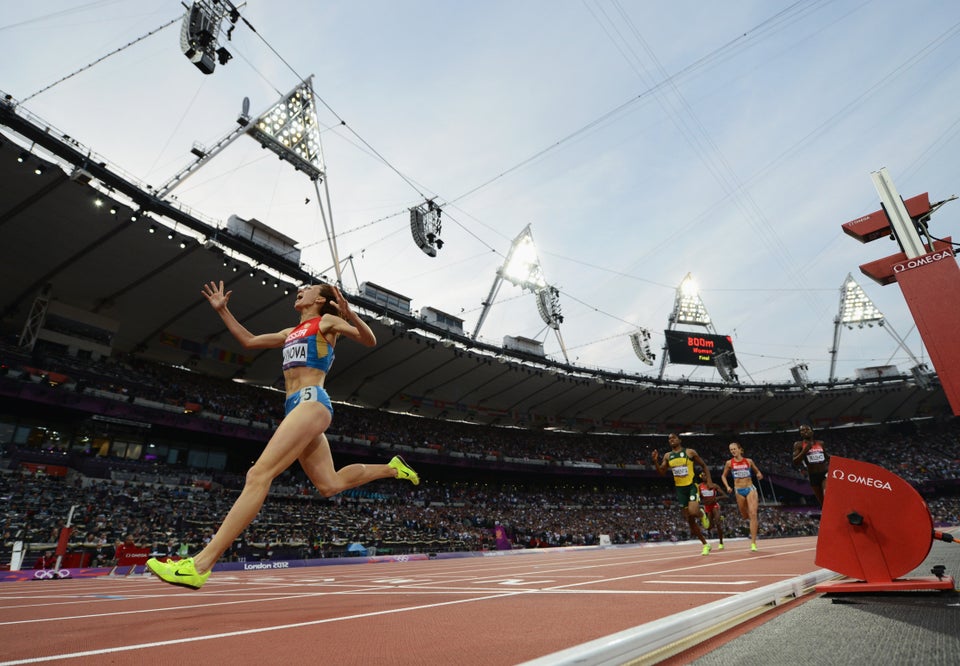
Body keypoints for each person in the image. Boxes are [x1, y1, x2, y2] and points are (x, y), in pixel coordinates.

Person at [146, 281, 419, 589]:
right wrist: (223, 311)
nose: (300, 290)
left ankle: (200, 564)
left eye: (309, 288)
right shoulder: (290, 332)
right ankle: (394, 468)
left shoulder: (327, 321)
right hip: (295, 408)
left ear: (320, 299)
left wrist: (350, 314)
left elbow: (368, 340)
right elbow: (248, 341)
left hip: (312, 401)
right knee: (329, 485)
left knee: (258, 474)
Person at [652, 433, 712, 555]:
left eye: (674, 438)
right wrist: (655, 462)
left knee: (693, 511)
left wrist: (709, 481)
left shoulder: (690, 452)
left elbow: (703, 465)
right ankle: (705, 544)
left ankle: (701, 514)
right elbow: (662, 472)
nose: (671, 440)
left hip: (691, 486)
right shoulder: (668, 456)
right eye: (669, 439)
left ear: (680, 440)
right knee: (689, 520)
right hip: (680, 489)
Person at [722, 441, 764, 552]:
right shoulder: (729, 463)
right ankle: (750, 522)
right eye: (731, 450)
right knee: (745, 515)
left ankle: (753, 543)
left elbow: (757, 471)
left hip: (750, 488)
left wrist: (759, 473)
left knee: (753, 514)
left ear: (740, 449)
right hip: (738, 490)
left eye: (734, 449)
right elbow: (723, 476)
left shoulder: (749, 461)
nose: (733, 451)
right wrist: (727, 486)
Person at [792, 424, 828, 506]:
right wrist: (804, 451)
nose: (805, 431)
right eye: (802, 430)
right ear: (800, 433)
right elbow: (795, 462)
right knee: (823, 504)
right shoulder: (798, 445)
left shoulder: (820, 443)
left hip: (825, 474)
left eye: (807, 429)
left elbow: (827, 457)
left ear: (812, 431)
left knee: (826, 496)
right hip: (813, 476)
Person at [698, 471, 727, 550]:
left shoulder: (714, 486)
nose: (704, 477)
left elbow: (725, 495)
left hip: (714, 505)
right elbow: (698, 497)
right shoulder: (699, 486)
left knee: (718, 524)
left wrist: (716, 498)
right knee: (709, 527)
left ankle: (721, 542)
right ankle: (718, 518)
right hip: (707, 507)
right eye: (702, 476)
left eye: (705, 475)